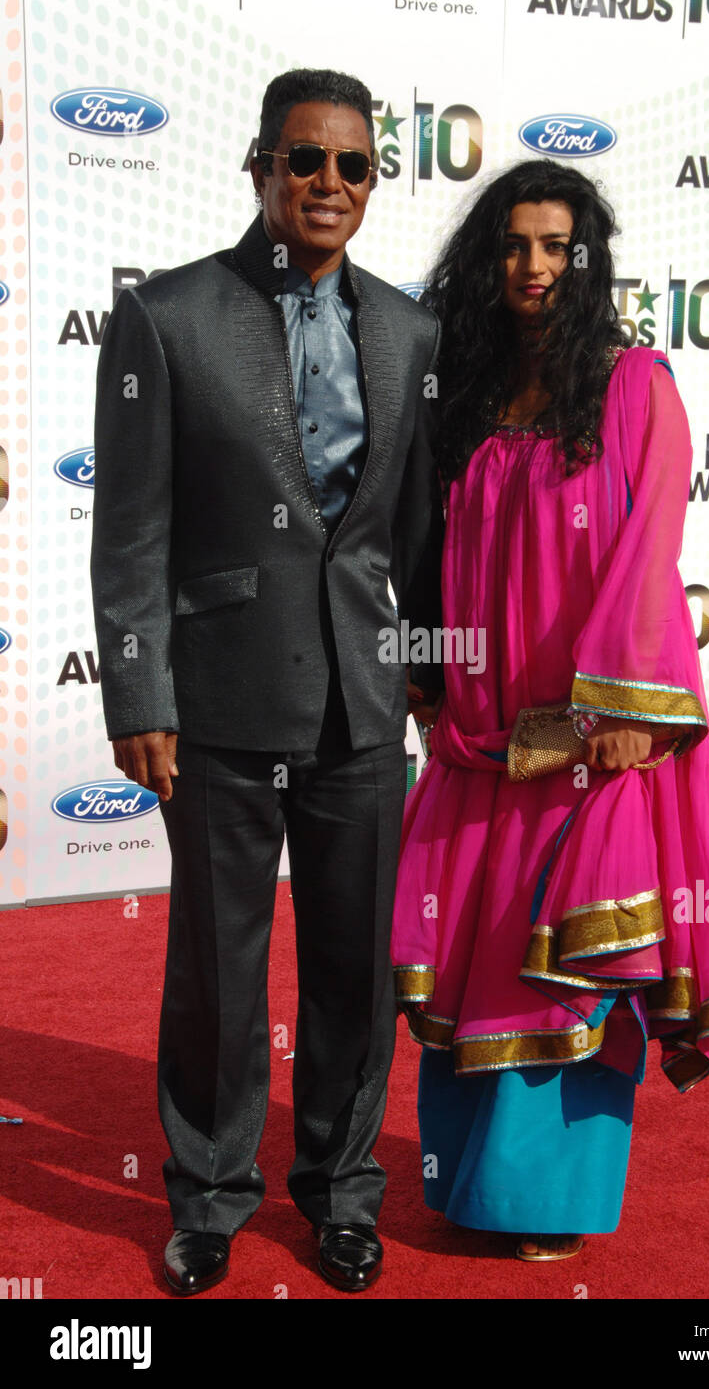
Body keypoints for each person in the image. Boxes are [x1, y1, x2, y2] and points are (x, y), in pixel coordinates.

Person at [90, 67, 443, 1295]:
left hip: (361, 699)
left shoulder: (408, 331)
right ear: (260, 168)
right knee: (219, 968)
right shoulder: (172, 317)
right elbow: (129, 529)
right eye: (306, 160)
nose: (329, 184)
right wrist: (138, 694)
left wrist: (438, 683)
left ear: (372, 182)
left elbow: (421, 542)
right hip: (223, 702)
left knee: (354, 967)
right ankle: (206, 1195)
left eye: (352, 165)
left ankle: (343, 1191)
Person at [394, 160, 709, 1260]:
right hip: (480, 726)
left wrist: (606, 718)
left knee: (562, 953)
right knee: (475, 948)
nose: (534, 266)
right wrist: (431, 677)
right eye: (512, 245)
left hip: (591, 732)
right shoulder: (465, 387)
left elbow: (648, 556)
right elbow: (430, 548)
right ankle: (468, 1188)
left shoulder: (633, 382)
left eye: (556, 245)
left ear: (588, 257)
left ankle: (547, 1200)